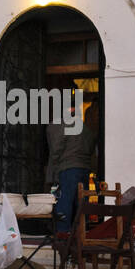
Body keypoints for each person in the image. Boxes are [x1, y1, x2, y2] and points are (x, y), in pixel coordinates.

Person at [45, 100, 98, 236]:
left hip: (68, 168)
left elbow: (56, 148)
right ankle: (81, 232)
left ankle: (63, 233)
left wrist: (53, 170)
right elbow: (92, 149)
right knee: (81, 201)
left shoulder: (61, 126)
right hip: (84, 169)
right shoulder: (86, 129)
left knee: (65, 200)